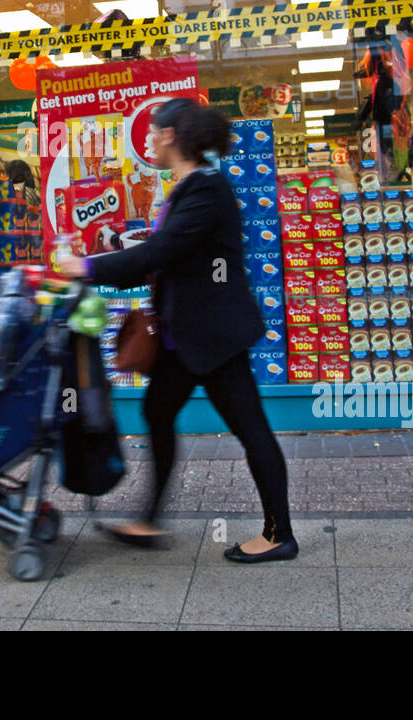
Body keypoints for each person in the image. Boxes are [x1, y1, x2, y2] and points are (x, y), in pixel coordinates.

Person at [53, 98, 297, 563]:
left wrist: (84, 267)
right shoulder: (190, 186)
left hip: (213, 337)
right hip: (186, 336)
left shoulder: (207, 189)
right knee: (157, 412)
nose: (146, 139)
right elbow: (165, 258)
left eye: (152, 131)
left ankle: (279, 533)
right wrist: (106, 269)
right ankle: (147, 521)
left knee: (251, 430)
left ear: (169, 136)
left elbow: (160, 252)